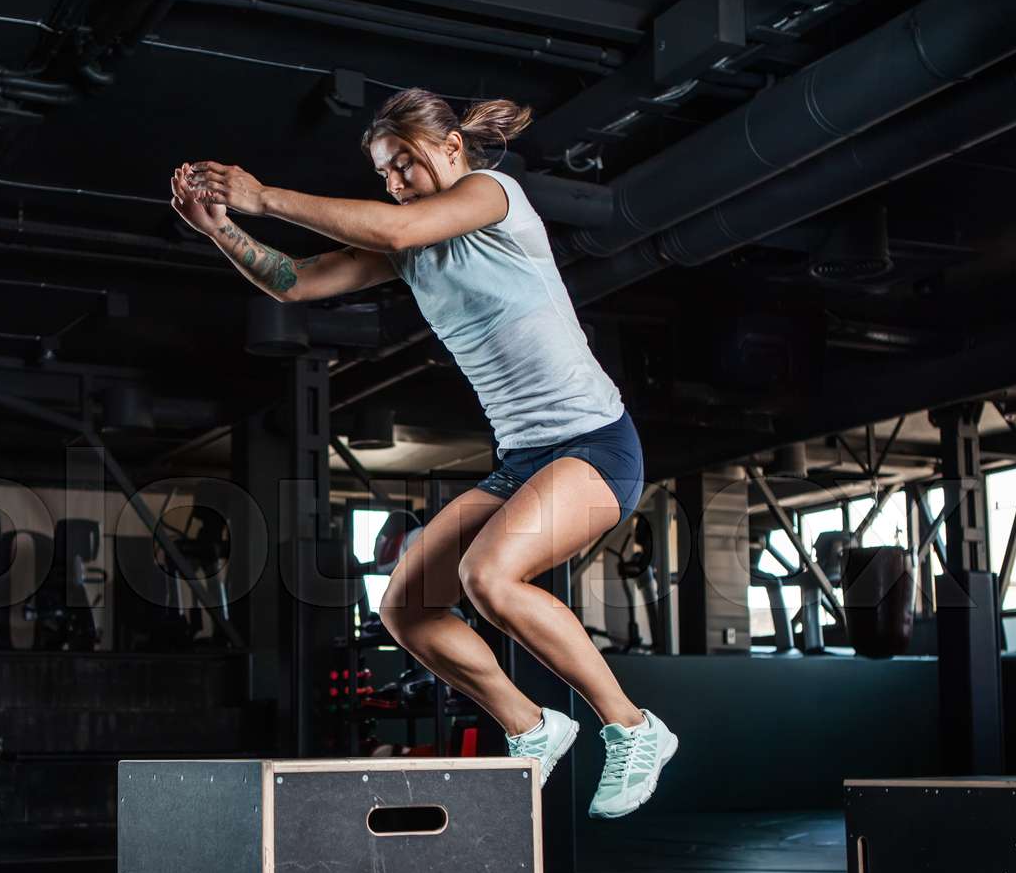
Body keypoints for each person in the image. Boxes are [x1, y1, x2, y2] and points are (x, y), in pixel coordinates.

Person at [171, 88, 678, 818]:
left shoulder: (491, 194)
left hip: (595, 444)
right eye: (384, 174)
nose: (396, 182)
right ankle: (532, 726)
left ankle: (633, 728)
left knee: (490, 578)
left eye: (406, 164)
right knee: (406, 607)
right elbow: (296, 282)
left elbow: (402, 231)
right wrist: (221, 227)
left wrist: (263, 194)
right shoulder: (406, 247)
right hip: (523, 459)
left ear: (450, 150)